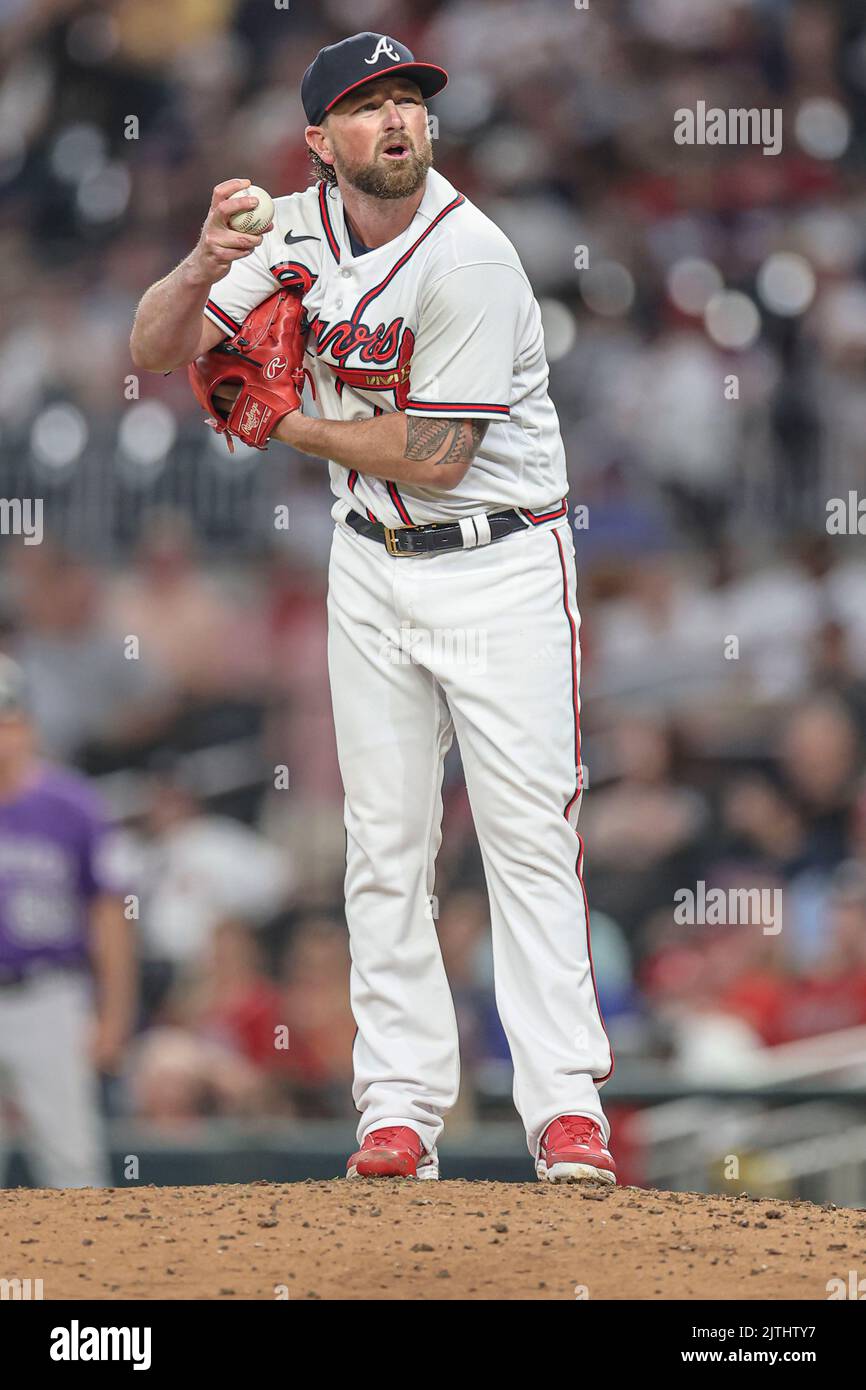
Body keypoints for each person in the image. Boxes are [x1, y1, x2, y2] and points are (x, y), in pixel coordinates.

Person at [130, 31, 615, 1183]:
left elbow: (436, 455)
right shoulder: (289, 227)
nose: (395, 120)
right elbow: (155, 351)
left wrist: (278, 420)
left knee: (525, 840)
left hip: (497, 560)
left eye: (408, 100)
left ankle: (564, 1113)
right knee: (381, 843)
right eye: (366, 106)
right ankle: (397, 1110)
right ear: (317, 142)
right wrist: (201, 265)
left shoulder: (475, 259)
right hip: (368, 562)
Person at [0, 655, 135, 1187]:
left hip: (50, 996)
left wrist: (115, 1014)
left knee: (72, 1167)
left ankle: (91, 1274)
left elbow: (109, 917)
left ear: (27, 723)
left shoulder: (74, 805)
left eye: (7, 717)